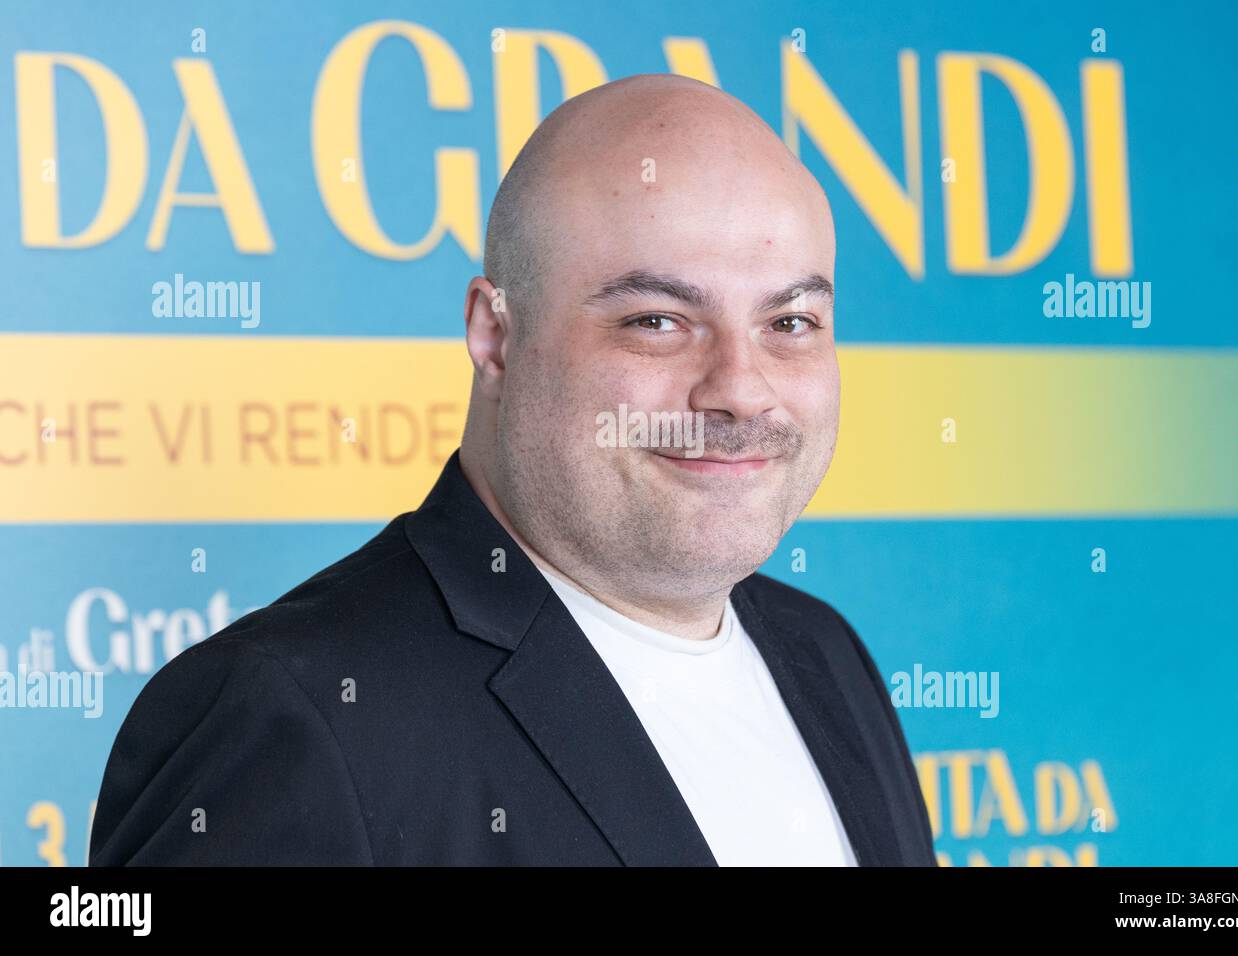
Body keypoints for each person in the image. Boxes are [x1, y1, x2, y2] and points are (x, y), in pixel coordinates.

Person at [89, 73, 936, 866]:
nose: (742, 392)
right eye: (655, 320)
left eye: (790, 322)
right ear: (495, 335)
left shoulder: (825, 654)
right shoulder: (292, 718)